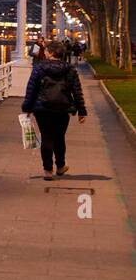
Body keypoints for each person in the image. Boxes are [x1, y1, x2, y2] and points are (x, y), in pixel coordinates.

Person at [21, 39, 87, 181]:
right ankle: (60, 166)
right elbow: (77, 91)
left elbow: (31, 89)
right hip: (63, 108)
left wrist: (27, 107)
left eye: (46, 51)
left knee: (46, 137)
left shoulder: (39, 68)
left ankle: (48, 170)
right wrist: (82, 111)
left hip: (42, 108)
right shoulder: (70, 69)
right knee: (59, 137)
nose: (44, 52)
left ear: (50, 53)